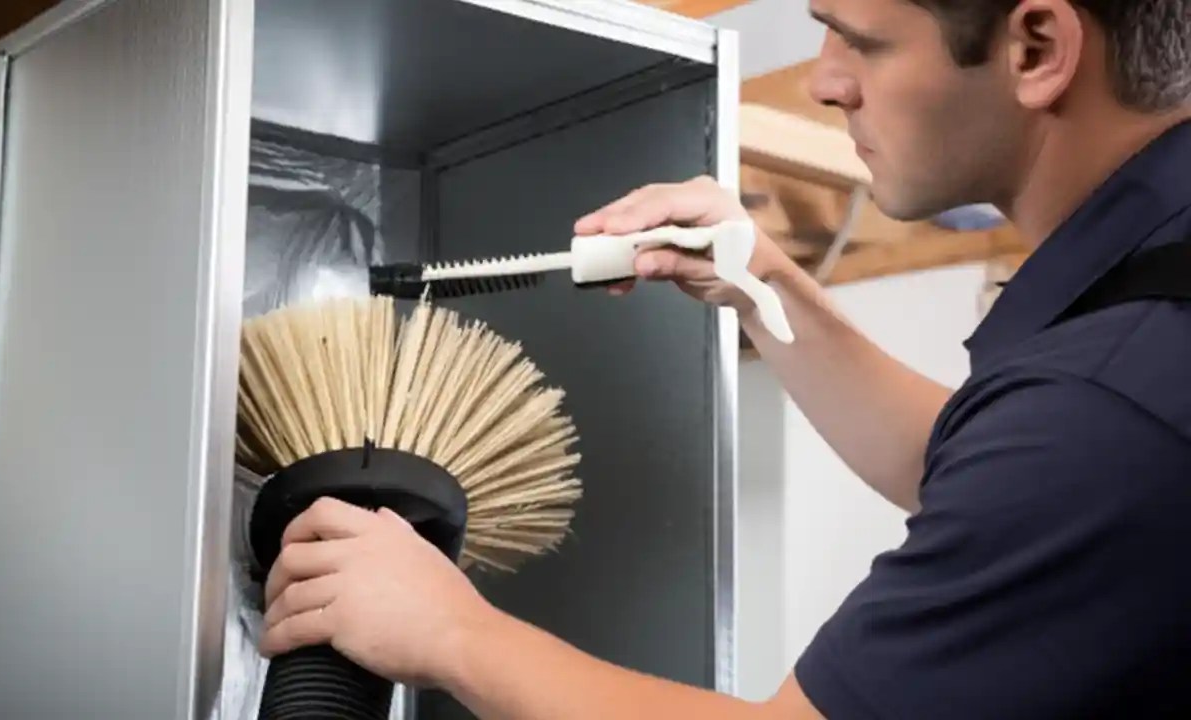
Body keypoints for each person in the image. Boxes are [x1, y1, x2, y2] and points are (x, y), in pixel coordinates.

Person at [253, 0, 1191, 716]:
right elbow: (972, 466)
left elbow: (1065, 455)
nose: (826, 82)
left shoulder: (1108, 403)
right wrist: (764, 283)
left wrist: (451, 633)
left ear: (1036, 48)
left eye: (860, 40)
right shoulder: (1139, 324)